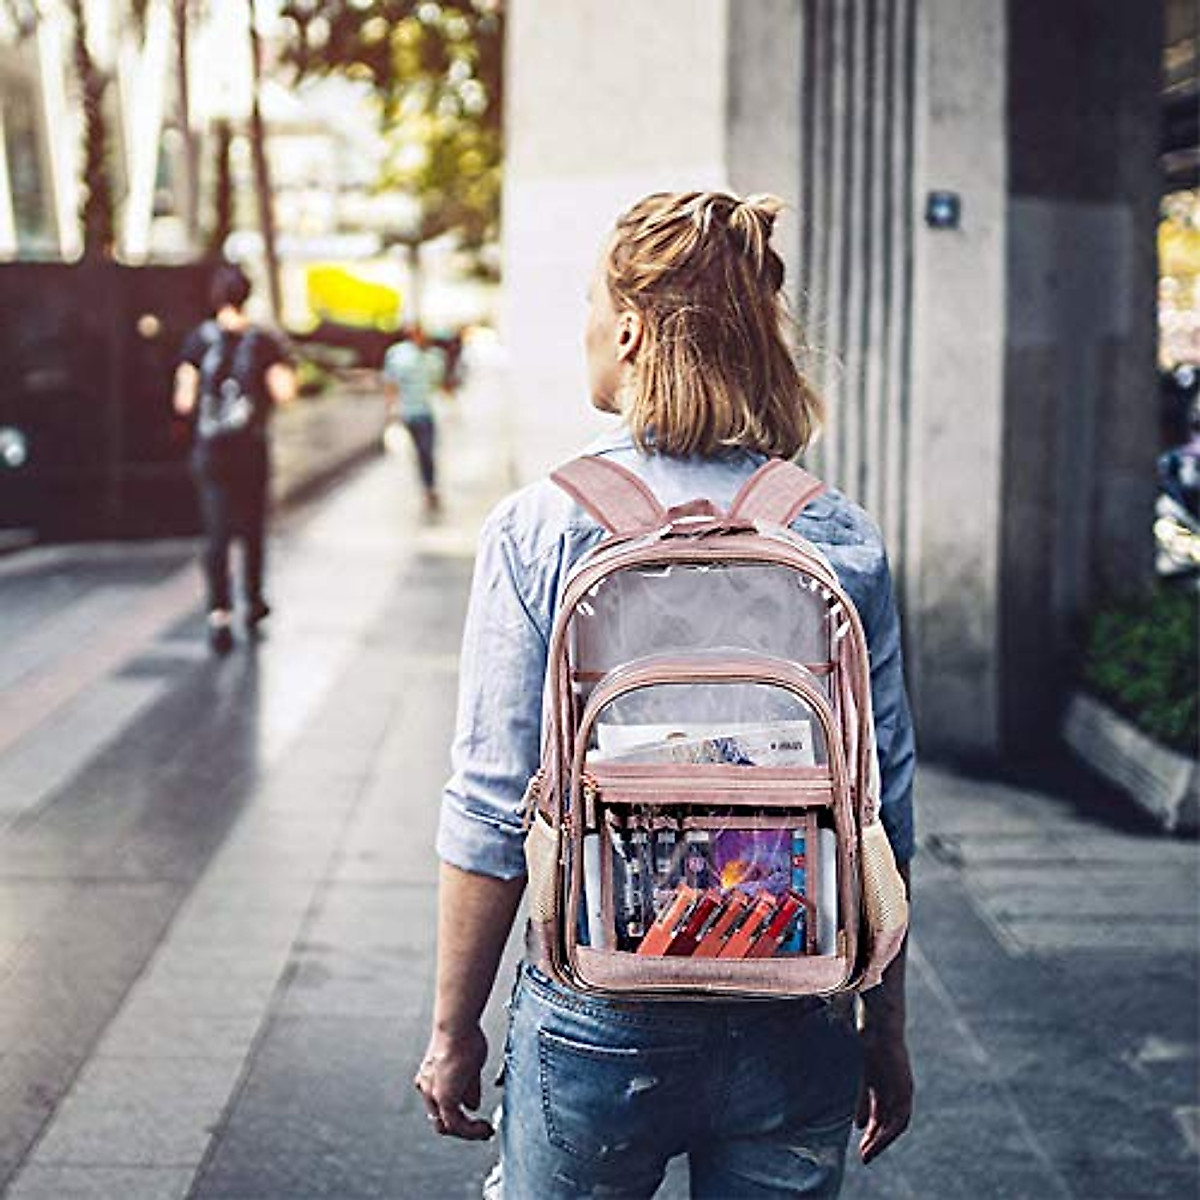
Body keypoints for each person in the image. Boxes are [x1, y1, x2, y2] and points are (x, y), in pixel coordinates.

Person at [415, 191, 916, 1197]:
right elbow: (882, 808)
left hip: (600, 1007)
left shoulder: (540, 528)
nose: (588, 326)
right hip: (797, 997)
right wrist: (883, 1028)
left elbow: (491, 807)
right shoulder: (836, 533)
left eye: (593, 303)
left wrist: (452, 1029)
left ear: (632, 329)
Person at [174, 264, 295, 655]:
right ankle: (253, 602)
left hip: (210, 453)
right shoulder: (264, 341)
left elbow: (184, 400)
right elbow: (285, 393)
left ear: (215, 297)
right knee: (252, 530)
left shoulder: (198, 340)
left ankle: (219, 612)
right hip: (251, 451)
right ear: (248, 294)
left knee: (217, 531)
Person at [383, 325, 446, 513]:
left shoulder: (435, 357)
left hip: (426, 413)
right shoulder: (398, 355)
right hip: (407, 413)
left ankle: (429, 487)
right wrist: (391, 411)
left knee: (426, 452)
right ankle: (426, 486)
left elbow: (438, 383)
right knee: (418, 452)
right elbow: (390, 383)